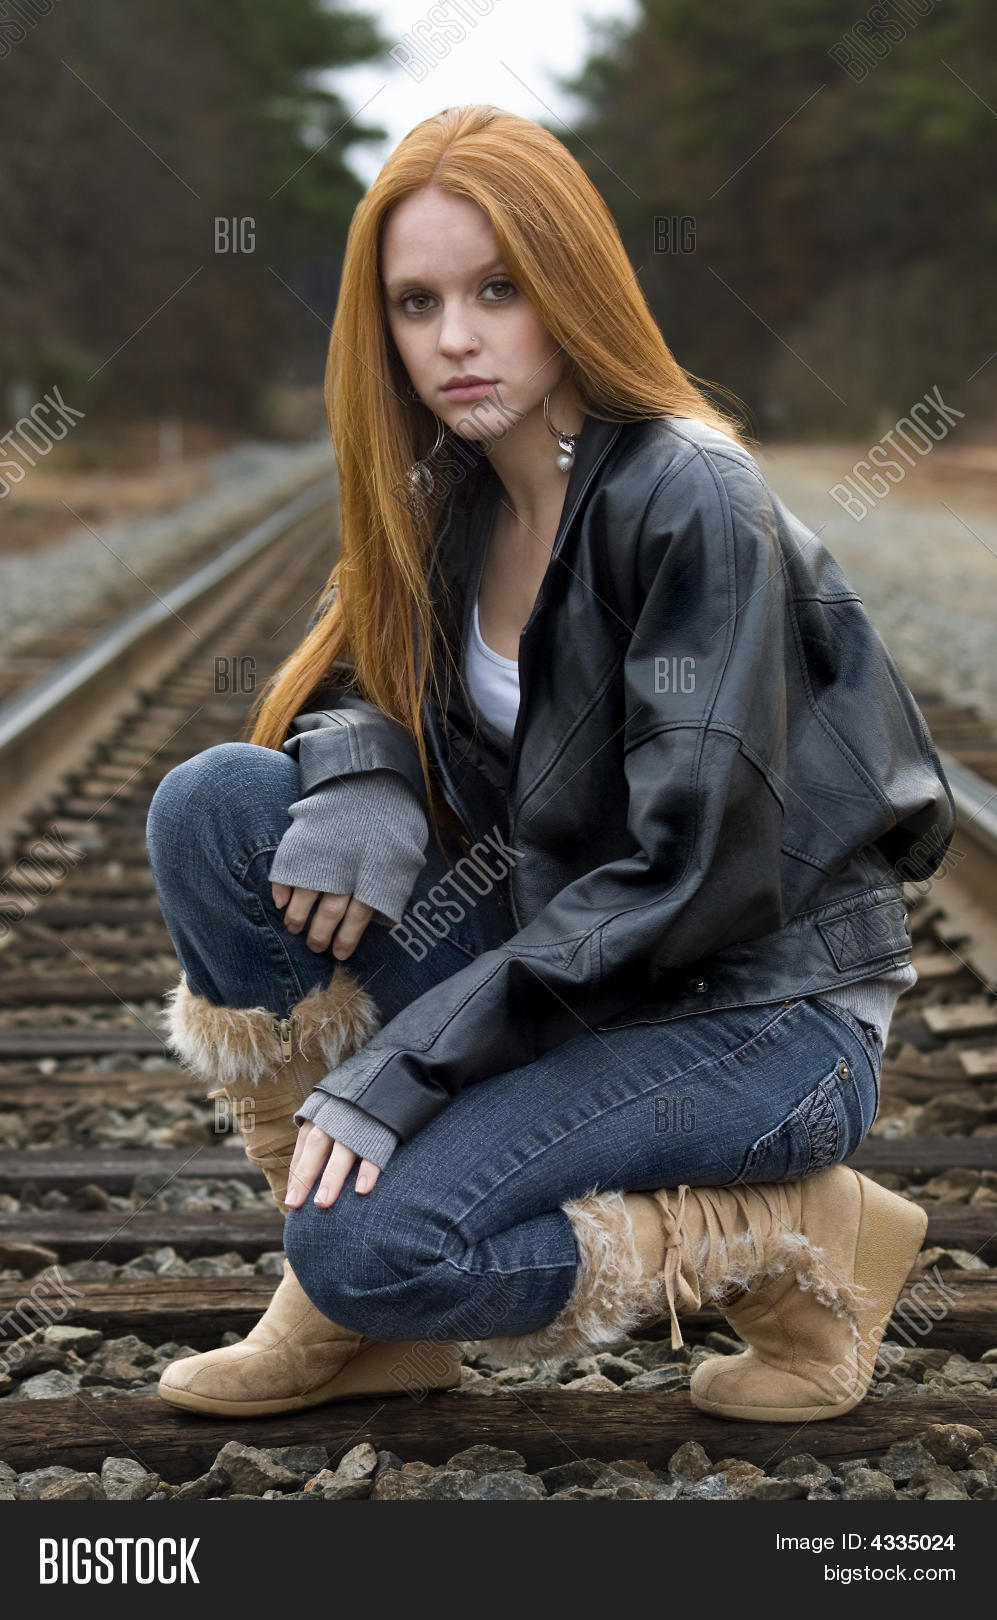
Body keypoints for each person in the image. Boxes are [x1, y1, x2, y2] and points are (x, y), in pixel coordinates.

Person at [146, 105, 953, 1424]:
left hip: (749, 1010)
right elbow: (354, 677)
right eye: (416, 302)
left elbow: (686, 877)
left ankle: (791, 1238)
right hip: (570, 976)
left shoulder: (691, 498)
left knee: (372, 1250)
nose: (453, 339)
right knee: (218, 810)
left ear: (568, 285)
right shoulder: (454, 494)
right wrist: (361, 766)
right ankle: (377, 1337)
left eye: (496, 289)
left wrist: (405, 1068)